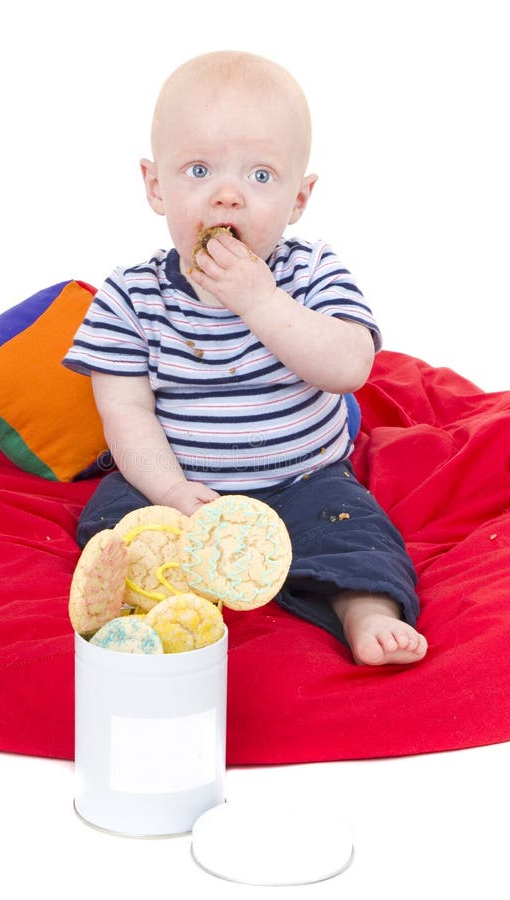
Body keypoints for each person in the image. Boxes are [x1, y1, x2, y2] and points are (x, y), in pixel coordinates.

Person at [63, 50, 428, 666]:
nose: (228, 197)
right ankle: (154, 599)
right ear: (156, 186)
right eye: (199, 170)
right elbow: (126, 414)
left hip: (302, 480)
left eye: (260, 176)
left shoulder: (311, 272)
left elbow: (350, 367)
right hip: (177, 485)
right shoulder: (130, 297)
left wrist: (261, 301)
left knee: (355, 532)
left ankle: (365, 611)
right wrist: (171, 489)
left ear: (300, 197)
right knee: (113, 521)